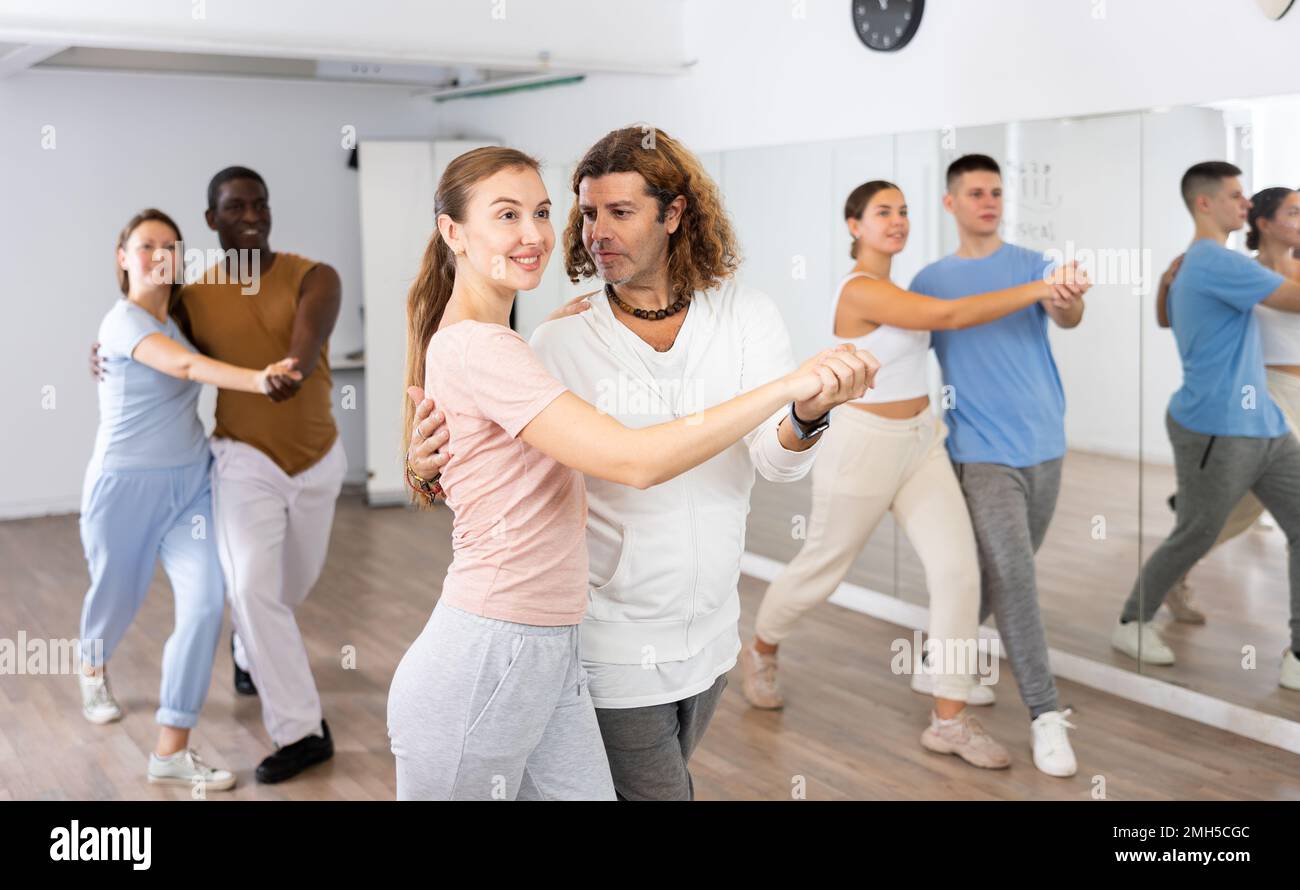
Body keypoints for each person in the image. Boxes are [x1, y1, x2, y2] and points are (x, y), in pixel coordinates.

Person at [405, 126, 881, 800]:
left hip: (707, 635)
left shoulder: (742, 314)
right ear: (455, 233)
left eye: (619, 212)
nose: (592, 230)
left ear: (675, 213)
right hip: (595, 642)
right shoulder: (555, 339)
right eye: (585, 212)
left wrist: (805, 415)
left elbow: (776, 464)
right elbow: (624, 462)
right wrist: (786, 387)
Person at [741, 180, 1088, 770]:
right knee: (822, 567)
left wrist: (1055, 295)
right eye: (882, 212)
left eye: (903, 211)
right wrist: (1043, 285)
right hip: (863, 448)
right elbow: (949, 315)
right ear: (854, 226)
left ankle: (948, 719)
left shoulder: (900, 285)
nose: (897, 220)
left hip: (923, 443)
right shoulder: (860, 291)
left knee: (958, 573)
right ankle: (763, 647)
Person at [80, 208, 299, 791]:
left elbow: (194, 345)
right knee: (117, 594)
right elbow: (178, 364)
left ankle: (170, 748)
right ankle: (91, 664)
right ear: (123, 256)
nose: (159, 255)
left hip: (190, 488)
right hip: (125, 486)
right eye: (146, 245)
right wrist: (257, 379)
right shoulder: (122, 322)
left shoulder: (179, 315)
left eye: (171, 247)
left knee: (205, 605)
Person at [906, 154, 1088, 777]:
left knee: (1003, 571)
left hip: (1046, 441)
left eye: (996, 192)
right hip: (979, 452)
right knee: (1016, 579)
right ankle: (1045, 714)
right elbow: (904, 351)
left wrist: (1065, 298)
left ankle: (941, 658)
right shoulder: (930, 280)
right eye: (976, 192)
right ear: (951, 203)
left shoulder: (1036, 266)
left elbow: (1068, 315)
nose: (989, 201)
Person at [1112, 164, 1300, 694]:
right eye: (1236, 196)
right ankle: (1132, 621)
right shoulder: (1215, 259)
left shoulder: (1204, 262)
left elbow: (1168, 316)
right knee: (1196, 532)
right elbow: (1292, 299)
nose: (1244, 204)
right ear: (1204, 204)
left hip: (1262, 423)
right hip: (1217, 424)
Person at [1151, 187, 1300, 624]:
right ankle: (1177, 560)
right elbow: (1169, 318)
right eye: (1293, 211)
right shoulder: (1237, 272)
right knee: (1259, 500)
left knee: (1246, 504)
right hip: (1266, 391)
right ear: (1264, 222)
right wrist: (1165, 283)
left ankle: (1183, 546)